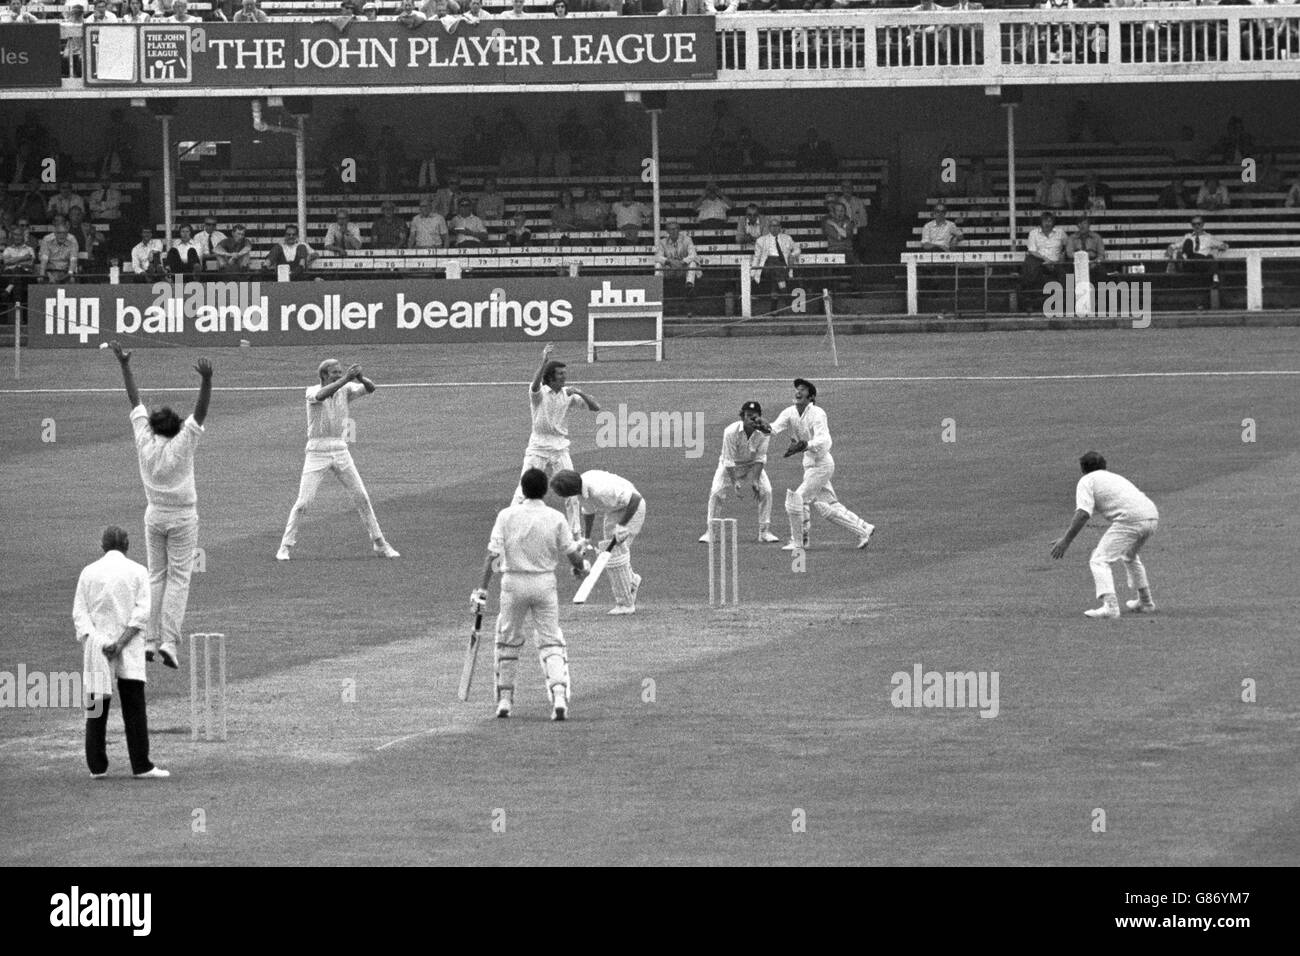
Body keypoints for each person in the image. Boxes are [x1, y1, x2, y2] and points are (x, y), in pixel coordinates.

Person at [108, 342, 211, 670]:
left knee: (156, 576)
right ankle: (168, 642)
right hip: (183, 516)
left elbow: (135, 401)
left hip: (154, 514)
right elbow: (201, 412)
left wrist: (125, 365)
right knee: (179, 579)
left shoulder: (144, 439)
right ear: (177, 426)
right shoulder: (184, 440)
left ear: (153, 427)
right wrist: (206, 379)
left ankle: (150, 641)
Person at [472, 467, 587, 721]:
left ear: (522, 490)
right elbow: (572, 554)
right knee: (551, 640)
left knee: (507, 639)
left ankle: (504, 700)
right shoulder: (556, 517)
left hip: (512, 584)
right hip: (544, 585)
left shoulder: (506, 515)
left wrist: (482, 589)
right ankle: (558, 697)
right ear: (545, 491)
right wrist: (582, 567)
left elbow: (492, 555)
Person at [276, 359, 399, 561]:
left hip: (341, 449)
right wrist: (346, 378)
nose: (338, 374)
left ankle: (380, 544)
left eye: (340, 371)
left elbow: (371, 388)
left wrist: (359, 377)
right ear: (324, 375)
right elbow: (322, 395)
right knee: (303, 503)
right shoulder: (312, 390)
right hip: (317, 450)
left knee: (362, 497)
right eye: (334, 372)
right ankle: (285, 547)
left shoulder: (346, 388)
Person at [74, 525, 169, 780]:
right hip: (127, 647)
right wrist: (120, 643)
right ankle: (141, 765)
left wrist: (99, 642)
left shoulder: (88, 572)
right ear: (127, 545)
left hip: (98, 648)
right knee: (134, 707)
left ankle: (97, 766)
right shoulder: (138, 571)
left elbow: (79, 614)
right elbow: (142, 613)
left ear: (102, 545)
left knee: (96, 707)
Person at [764, 378, 874, 552]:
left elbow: (824, 439)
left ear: (811, 397)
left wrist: (806, 444)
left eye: (803, 390)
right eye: (797, 389)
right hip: (810, 465)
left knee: (795, 500)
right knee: (829, 506)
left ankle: (799, 541)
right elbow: (773, 428)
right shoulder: (789, 412)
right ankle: (863, 527)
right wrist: (761, 426)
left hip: (822, 464)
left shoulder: (817, 413)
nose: (798, 392)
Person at [1050, 451, 1159, 619]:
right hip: (1151, 515)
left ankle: (1110, 607)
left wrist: (1066, 541)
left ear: (1082, 469)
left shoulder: (1087, 481)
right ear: (1104, 465)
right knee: (1129, 555)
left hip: (1130, 519)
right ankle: (1146, 602)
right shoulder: (1113, 477)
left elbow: (1083, 513)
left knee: (1099, 559)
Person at [511, 343, 600, 535]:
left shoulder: (568, 394)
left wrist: (579, 392)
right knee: (523, 489)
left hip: (560, 448)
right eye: (560, 374)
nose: (564, 376)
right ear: (550, 377)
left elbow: (595, 408)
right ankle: (510, 524)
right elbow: (534, 386)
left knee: (572, 491)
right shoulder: (539, 395)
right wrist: (543, 361)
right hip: (538, 447)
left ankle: (576, 534)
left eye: (564, 373)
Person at [550, 469, 646, 615]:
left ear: (570, 490)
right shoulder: (581, 488)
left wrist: (622, 525)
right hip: (615, 511)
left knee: (613, 553)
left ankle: (626, 604)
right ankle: (631, 581)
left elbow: (635, 499)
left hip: (633, 509)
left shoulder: (601, 490)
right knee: (610, 550)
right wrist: (586, 538)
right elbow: (588, 511)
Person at [700, 401, 781, 545]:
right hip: (731, 466)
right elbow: (728, 460)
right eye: (748, 416)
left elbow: (760, 458)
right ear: (742, 417)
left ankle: (764, 532)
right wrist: (735, 481)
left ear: (760, 418)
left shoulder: (764, 433)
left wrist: (755, 480)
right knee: (717, 492)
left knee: (766, 491)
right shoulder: (730, 431)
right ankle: (711, 532)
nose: (751, 419)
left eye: (754, 417)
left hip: (751, 465)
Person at [749, 218, 800, 314]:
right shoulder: (761, 240)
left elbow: (797, 248)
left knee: (775, 278)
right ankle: (785, 295)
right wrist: (752, 273)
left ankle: (773, 309)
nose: (774, 228)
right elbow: (757, 257)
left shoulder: (787, 238)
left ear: (780, 227)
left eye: (777, 226)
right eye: (772, 226)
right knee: (774, 268)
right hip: (767, 265)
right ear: (769, 228)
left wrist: (792, 255)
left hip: (781, 265)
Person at [1020, 211, 1068, 305]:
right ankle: (1030, 301)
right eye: (1045, 221)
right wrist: (1046, 260)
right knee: (1030, 264)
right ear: (1041, 222)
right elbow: (1032, 251)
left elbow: (1068, 245)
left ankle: (1063, 302)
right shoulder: (1033, 233)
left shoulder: (1060, 232)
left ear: (1053, 222)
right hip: (1040, 261)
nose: (1047, 223)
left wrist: (1062, 256)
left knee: (1066, 273)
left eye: (1050, 221)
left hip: (1056, 263)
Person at [37, 218, 79, 283]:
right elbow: (44, 259)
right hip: (50, 270)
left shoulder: (72, 240)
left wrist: (70, 274)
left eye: (64, 233)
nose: (62, 235)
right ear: (55, 233)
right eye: (59, 233)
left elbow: (73, 259)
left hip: (66, 270)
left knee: (72, 279)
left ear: (67, 233)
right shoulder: (47, 239)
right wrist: (42, 274)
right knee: (41, 276)